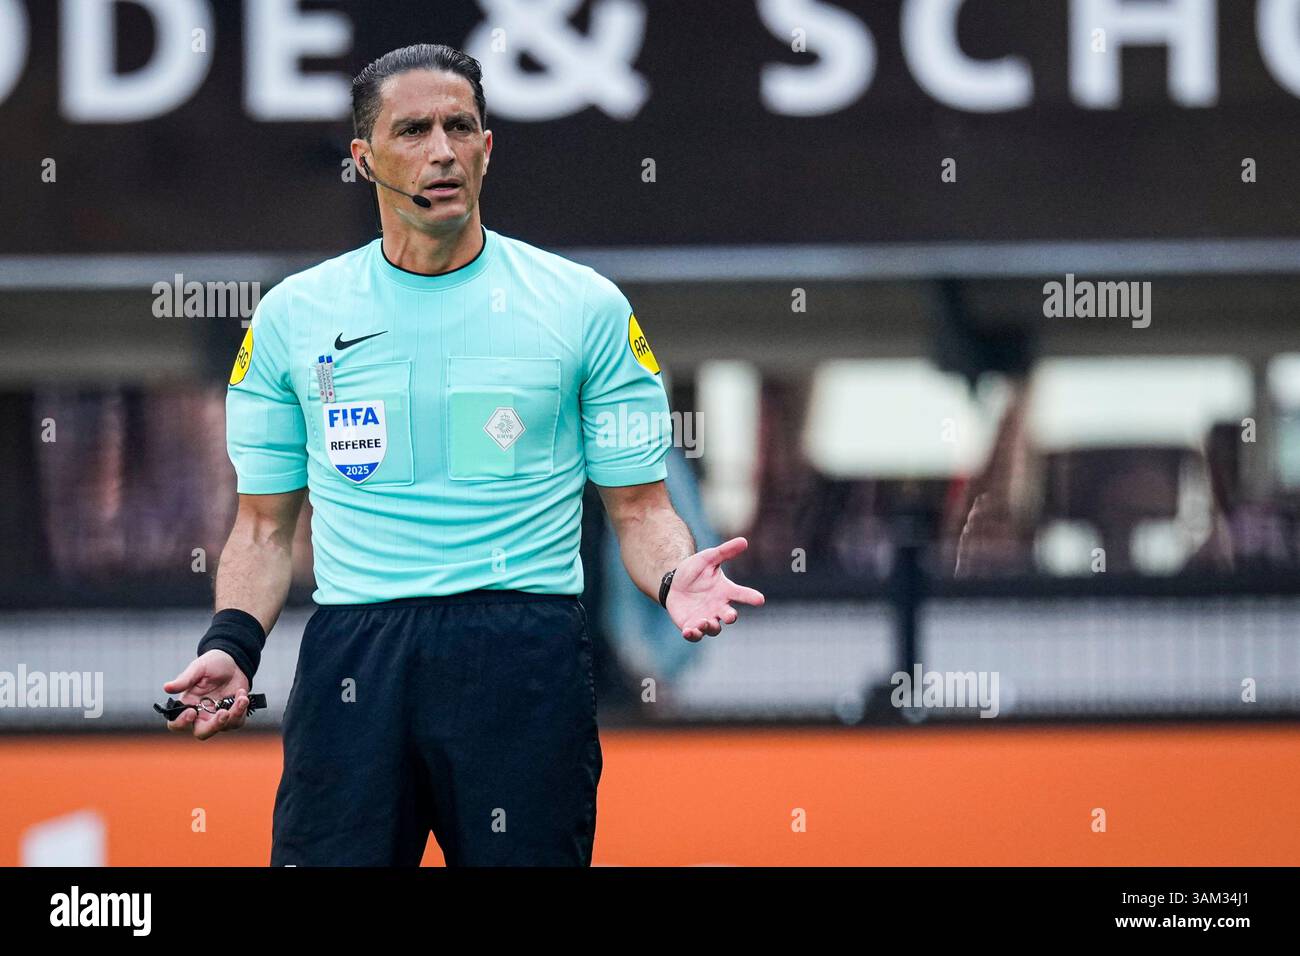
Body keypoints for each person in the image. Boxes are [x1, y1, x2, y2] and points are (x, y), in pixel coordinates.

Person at [160, 43, 765, 866]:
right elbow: (263, 530)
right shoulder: (293, 319)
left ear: (487, 148)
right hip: (357, 659)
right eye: (413, 130)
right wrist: (233, 643)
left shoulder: (583, 307)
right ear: (363, 159)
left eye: (460, 127)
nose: (441, 150)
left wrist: (670, 575)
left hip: (523, 653)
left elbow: (642, 508)